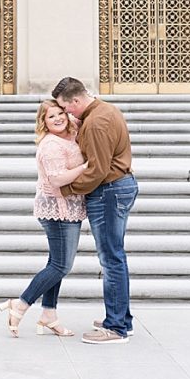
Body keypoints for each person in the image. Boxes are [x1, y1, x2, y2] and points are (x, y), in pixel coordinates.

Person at [51, 76, 138, 345]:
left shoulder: (97, 122)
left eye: (67, 108)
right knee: (115, 256)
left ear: (76, 100)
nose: (67, 114)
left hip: (109, 191)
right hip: (118, 187)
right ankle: (121, 319)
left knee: (111, 259)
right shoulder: (104, 110)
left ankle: (115, 328)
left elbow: (97, 169)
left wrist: (66, 190)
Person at [0, 99, 89, 338]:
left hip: (69, 207)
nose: (58, 118)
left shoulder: (71, 134)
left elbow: (85, 110)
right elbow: (58, 179)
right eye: (51, 116)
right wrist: (88, 167)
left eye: (61, 113)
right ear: (43, 122)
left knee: (55, 265)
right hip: (57, 211)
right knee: (61, 266)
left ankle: (49, 315)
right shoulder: (50, 145)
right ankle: (20, 305)